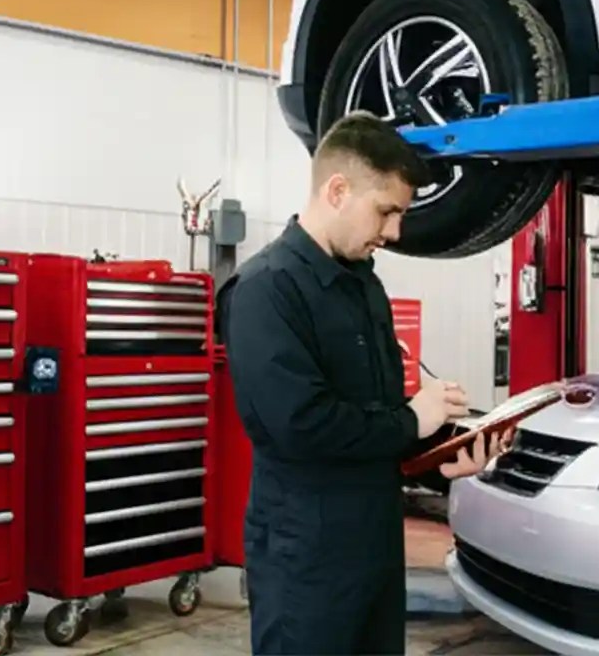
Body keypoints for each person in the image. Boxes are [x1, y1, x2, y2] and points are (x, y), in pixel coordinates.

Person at [216, 110, 512, 655]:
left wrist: (442, 455)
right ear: (337, 190)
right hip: (305, 560)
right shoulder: (265, 290)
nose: (394, 231)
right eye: (387, 212)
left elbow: (376, 415)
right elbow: (300, 425)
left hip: (375, 546)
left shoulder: (363, 287)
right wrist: (411, 419)